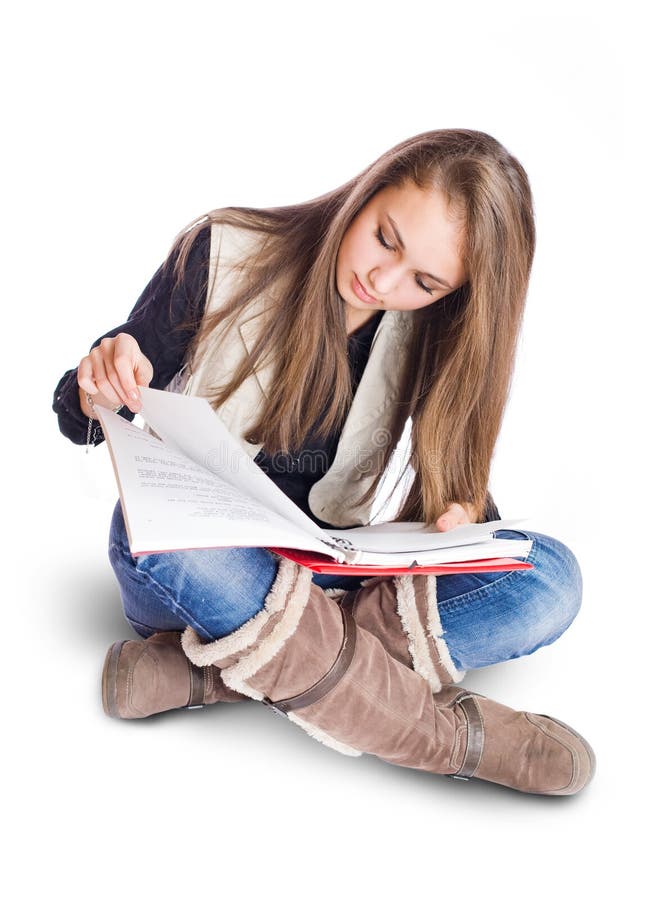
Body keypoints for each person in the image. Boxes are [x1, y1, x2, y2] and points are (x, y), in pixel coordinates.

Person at [53, 128, 595, 795]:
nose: (381, 280)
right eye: (385, 238)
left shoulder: (434, 333)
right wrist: (101, 385)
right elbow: (79, 415)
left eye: (424, 282)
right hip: (200, 566)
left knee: (548, 578)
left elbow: (457, 499)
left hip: (326, 570)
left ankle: (212, 673)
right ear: (368, 190)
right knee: (154, 536)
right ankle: (440, 737)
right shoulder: (222, 249)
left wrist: (460, 522)